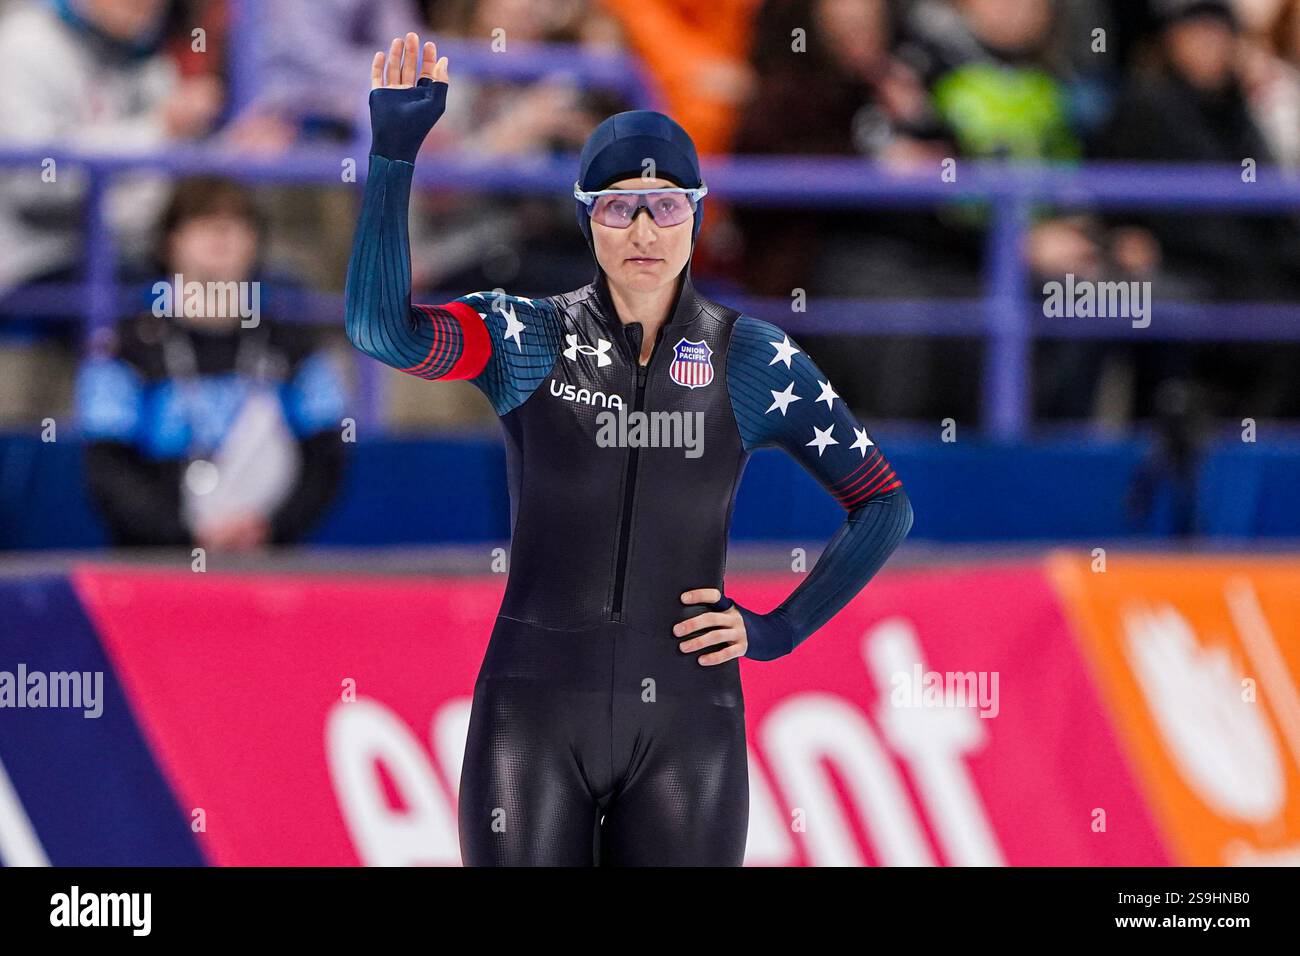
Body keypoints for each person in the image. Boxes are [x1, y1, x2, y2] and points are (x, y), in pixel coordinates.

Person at [344, 33, 914, 866]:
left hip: (689, 725)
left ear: (697, 216)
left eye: (667, 205)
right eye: (617, 206)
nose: (643, 228)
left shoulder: (752, 359)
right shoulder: (527, 338)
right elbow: (378, 330)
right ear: (587, 222)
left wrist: (779, 630)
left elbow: (885, 505)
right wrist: (394, 154)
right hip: (533, 716)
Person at [76, 177, 348, 550]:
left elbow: (325, 459)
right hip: (153, 569)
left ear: (255, 241)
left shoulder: (295, 345)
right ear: (169, 242)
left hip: (266, 564)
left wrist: (269, 529)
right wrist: (184, 538)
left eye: (237, 222)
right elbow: (108, 467)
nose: (222, 233)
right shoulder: (124, 348)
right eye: (203, 221)